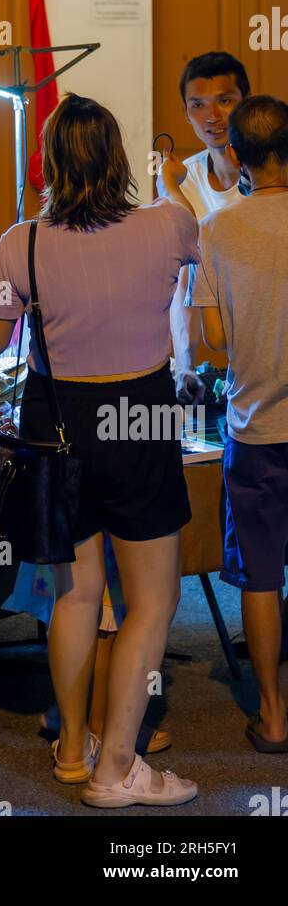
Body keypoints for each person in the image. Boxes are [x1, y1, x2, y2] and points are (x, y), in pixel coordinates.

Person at [0, 94, 199, 808]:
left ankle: (72, 750)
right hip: (141, 415)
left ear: (47, 163)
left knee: (75, 596)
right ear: (118, 157)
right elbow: (198, 250)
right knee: (153, 599)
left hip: (58, 417)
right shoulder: (169, 223)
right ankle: (118, 767)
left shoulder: (22, 241)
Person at [189, 95, 288, 753]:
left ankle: (274, 716)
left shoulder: (218, 230)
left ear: (235, 156)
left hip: (255, 431)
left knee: (260, 574)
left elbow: (216, 341)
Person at [157, 51, 250, 404]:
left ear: (246, 102)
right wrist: (184, 365)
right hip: (224, 341)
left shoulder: (274, 174)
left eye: (224, 101)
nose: (211, 117)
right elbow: (184, 280)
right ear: (185, 111)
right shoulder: (185, 181)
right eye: (197, 105)